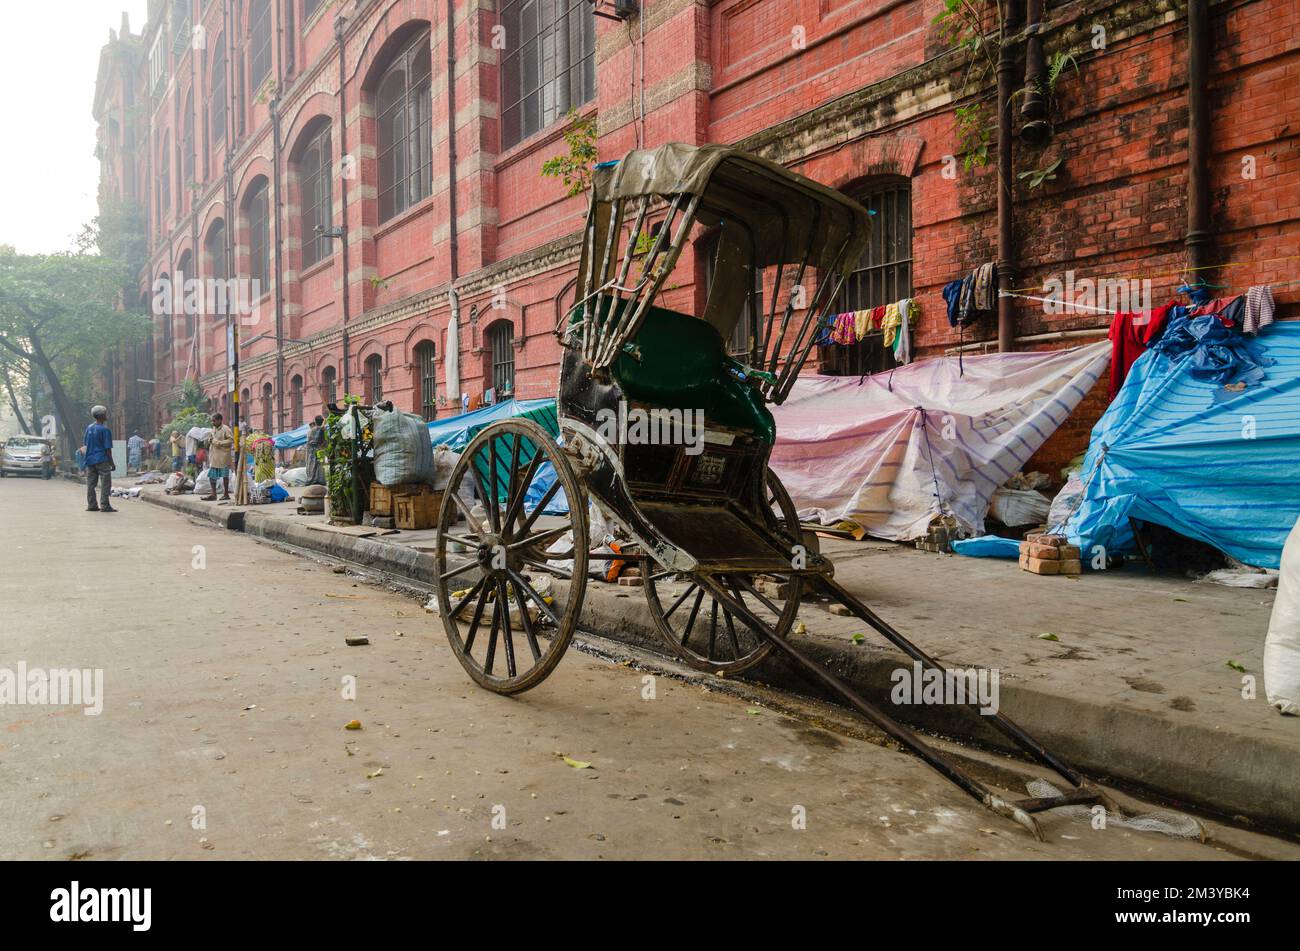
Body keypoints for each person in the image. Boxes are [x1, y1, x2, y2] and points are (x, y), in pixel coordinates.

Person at [83, 405, 116, 513]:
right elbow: (107, 449)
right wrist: (112, 463)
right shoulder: (105, 430)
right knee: (105, 483)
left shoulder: (89, 428)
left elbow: (85, 444)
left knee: (91, 484)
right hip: (102, 459)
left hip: (90, 459)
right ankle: (105, 505)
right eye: (105, 414)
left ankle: (92, 505)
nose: (106, 415)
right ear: (102, 416)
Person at [204, 413, 234, 501]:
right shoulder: (213, 429)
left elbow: (231, 440)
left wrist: (219, 443)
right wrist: (210, 440)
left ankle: (226, 494)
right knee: (212, 476)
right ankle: (214, 494)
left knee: (225, 476)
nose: (212, 422)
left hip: (223, 456)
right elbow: (212, 438)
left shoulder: (226, 429)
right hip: (214, 456)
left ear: (220, 420)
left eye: (214, 420)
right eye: (212, 421)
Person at [305, 415, 326, 486]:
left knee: (311, 464)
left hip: (311, 449)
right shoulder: (323, 430)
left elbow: (309, 440)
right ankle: (319, 479)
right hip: (319, 449)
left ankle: (311, 479)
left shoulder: (311, 431)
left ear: (316, 422)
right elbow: (324, 441)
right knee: (320, 464)